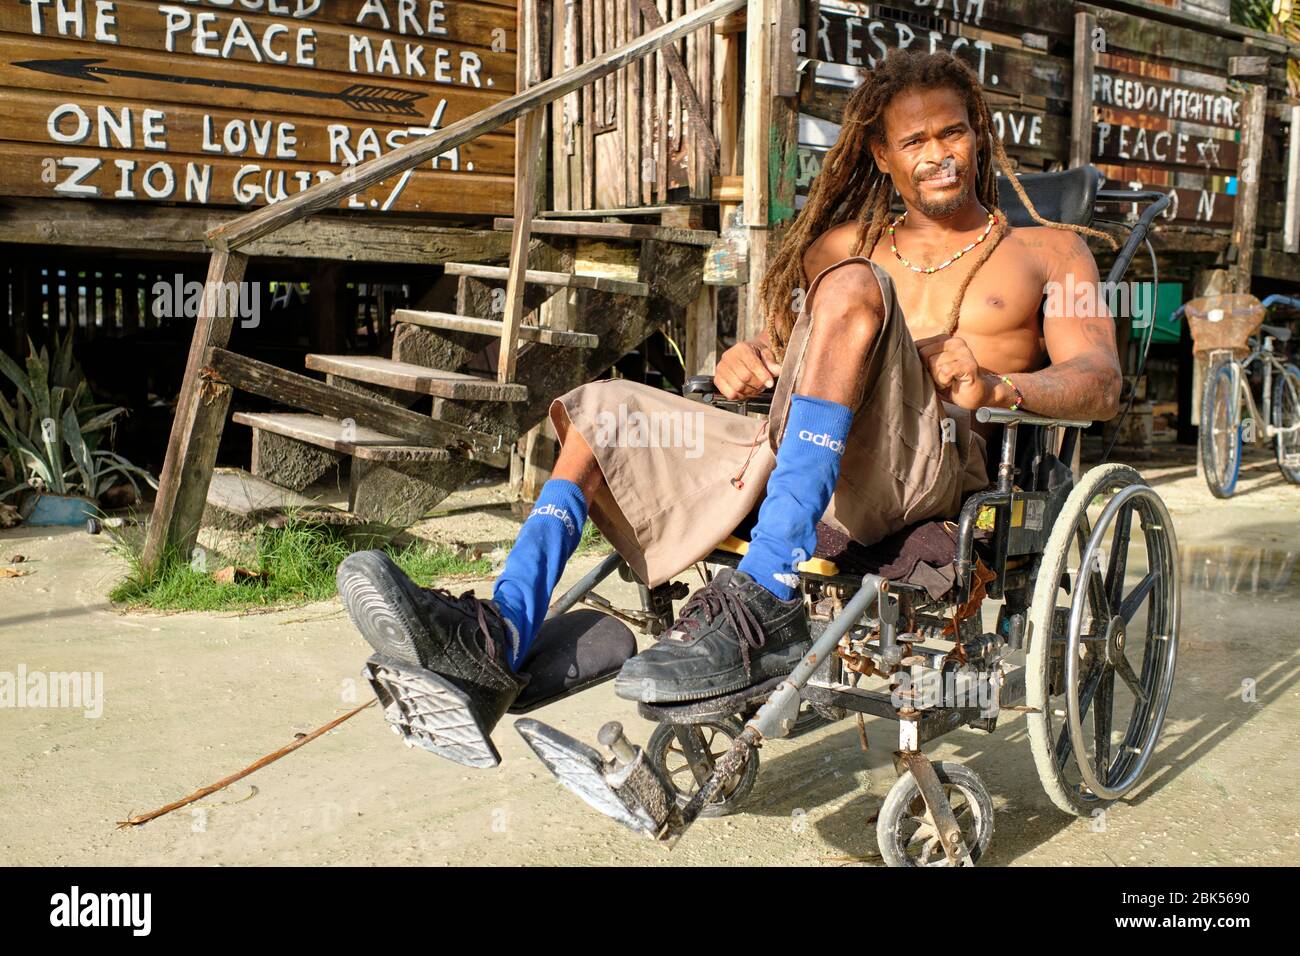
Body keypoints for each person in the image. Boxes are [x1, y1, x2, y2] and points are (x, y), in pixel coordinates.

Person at [336, 48, 1123, 754]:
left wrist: (998, 385)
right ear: (882, 155)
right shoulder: (841, 248)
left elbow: (1100, 382)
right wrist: (748, 361)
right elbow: (785, 360)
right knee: (605, 409)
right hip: (798, 454)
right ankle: (498, 635)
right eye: (914, 142)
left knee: (851, 284)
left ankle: (765, 595)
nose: (938, 155)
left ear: (976, 134)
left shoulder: (1048, 250)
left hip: (928, 468)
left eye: (951, 134)